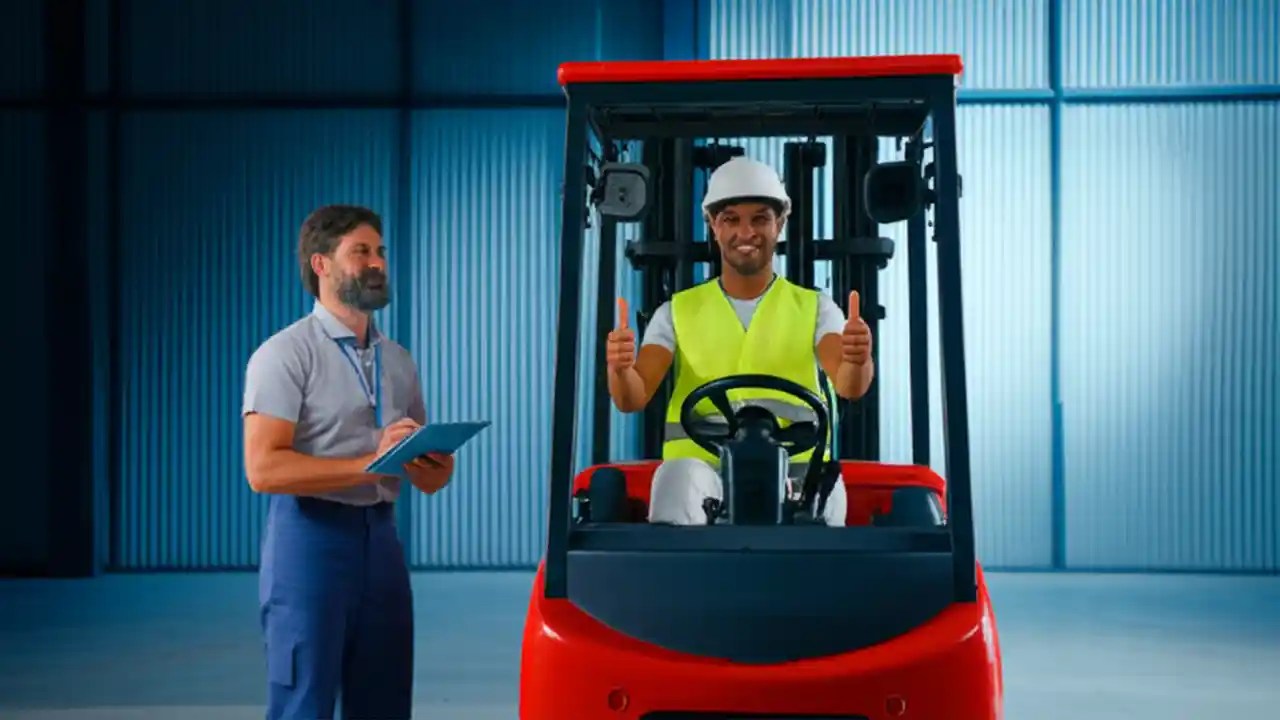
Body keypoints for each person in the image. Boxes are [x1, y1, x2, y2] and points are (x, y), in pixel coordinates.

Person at [241, 204, 454, 720]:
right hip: (310, 539)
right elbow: (263, 469)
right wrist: (370, 464)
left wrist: (435, 465)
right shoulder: (285, 354)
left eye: (380, 251)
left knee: (384, 699)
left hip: (381, 541)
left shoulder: (398, 360)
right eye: (360, 252)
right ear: (321, 265)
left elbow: (430, 478)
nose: (376, 262)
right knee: (304, 701)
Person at [605, 156, 874, 526]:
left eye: (760, 218)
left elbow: (848, 384)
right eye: (731, 219)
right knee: (674, 478)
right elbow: (632, 397)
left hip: (794, 468)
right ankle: (679, 582)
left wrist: (858, 361)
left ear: (780, 224)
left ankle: (816, 581)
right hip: (705, 469)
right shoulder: (675, 312)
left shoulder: (817, 309)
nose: (745, 233)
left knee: (829, 494)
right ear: (714, 226)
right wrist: (620, 369)